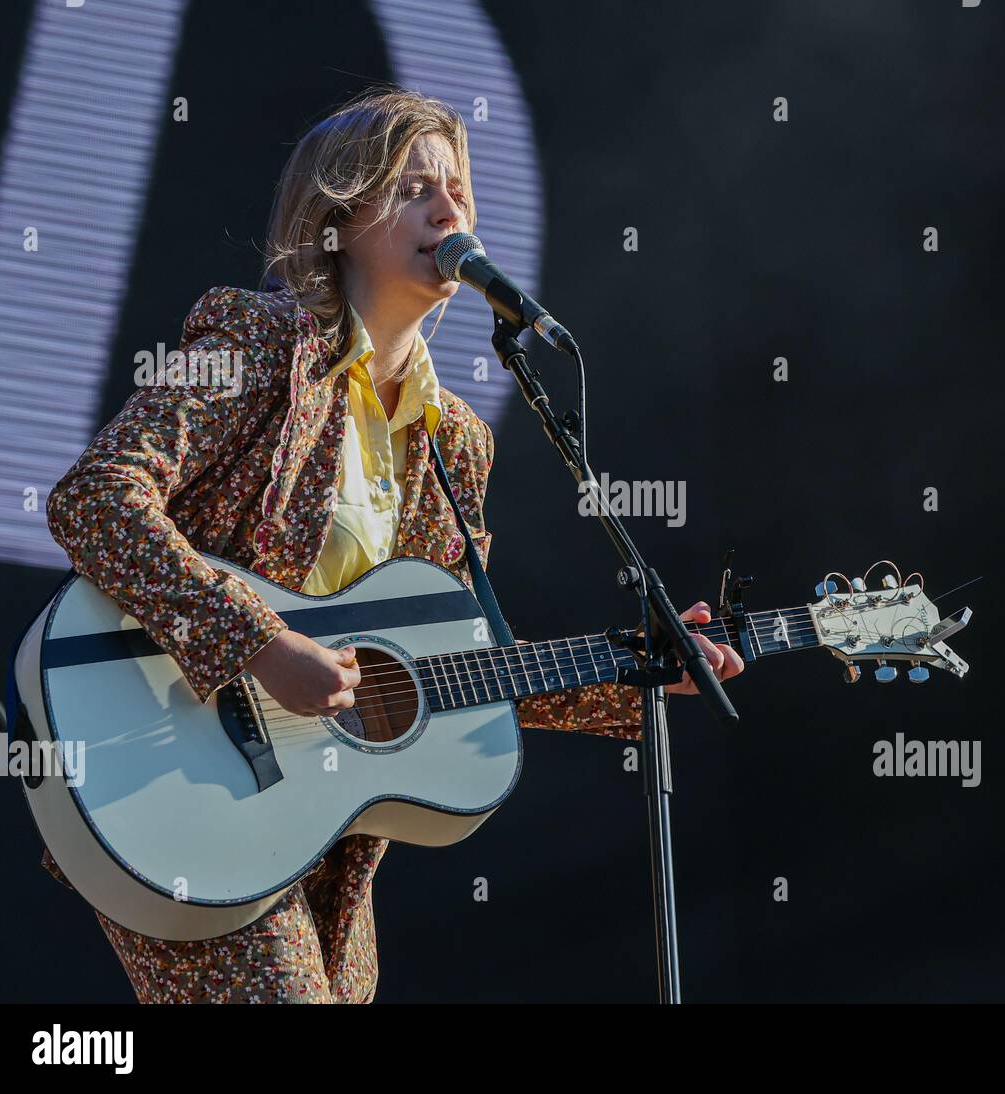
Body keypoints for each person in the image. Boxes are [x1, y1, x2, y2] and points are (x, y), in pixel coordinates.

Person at [40, 87, 743, 1003]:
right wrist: (259, 641)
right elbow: (95, 498)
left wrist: (642, 676)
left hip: (326, 840)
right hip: (177, 782)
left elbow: (459, 666)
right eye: (415, 189)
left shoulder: (454, 441)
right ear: (341, 215)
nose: (450, 208)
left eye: (457, 187)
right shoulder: (255, 343)